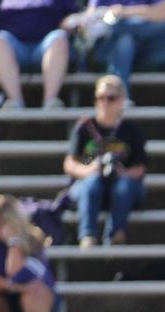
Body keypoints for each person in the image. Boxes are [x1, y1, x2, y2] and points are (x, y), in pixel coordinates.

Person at [63, 74, 147, 246]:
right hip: (89, 186)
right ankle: (87, 236)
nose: (105, 103)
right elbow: (69, 163)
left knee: (123, 186)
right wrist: (89, 170)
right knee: (91, 183)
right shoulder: (84, 127)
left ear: (122, 100)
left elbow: (141, 168)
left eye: (111, 98)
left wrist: (123, 173)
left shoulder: (132, 131)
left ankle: (116, 235)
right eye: (100, 98)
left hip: (122, 188)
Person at [0, 0, 74, 109]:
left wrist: (70, 22)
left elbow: (71, 12)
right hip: (11, 45)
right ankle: (15, 103)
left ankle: (51, 102)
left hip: (47, 45)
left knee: (59, 37)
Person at [81, 0, 165, 87]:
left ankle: (114, 28)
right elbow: (89, 23)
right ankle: (122, 97)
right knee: (124, 40)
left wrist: (123, 12)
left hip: (149, 50)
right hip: (109, 50)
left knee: (162, 25)